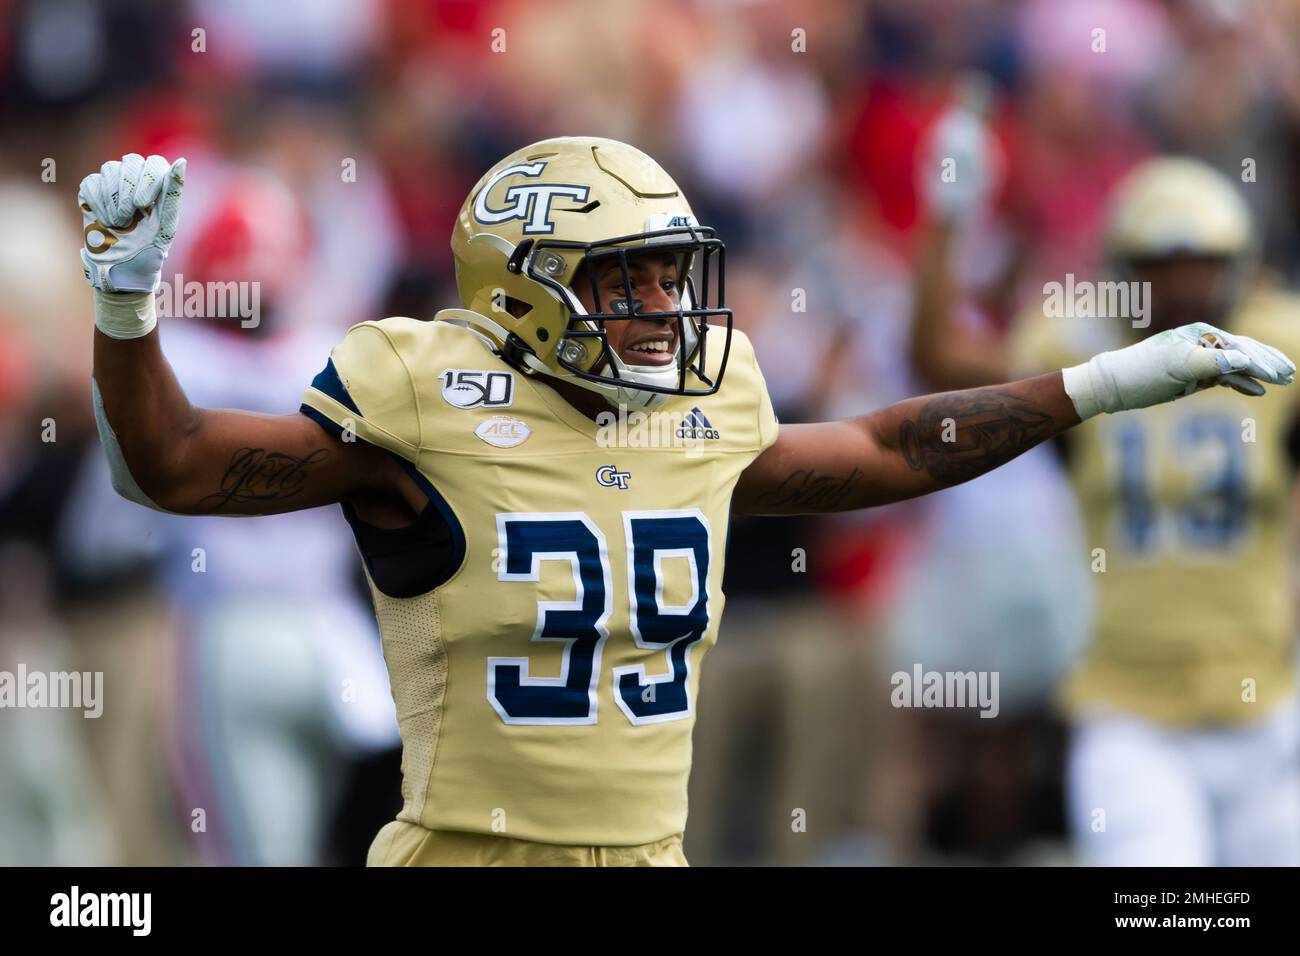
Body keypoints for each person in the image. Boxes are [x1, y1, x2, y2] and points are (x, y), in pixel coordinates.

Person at [82, 137, 1294, 867]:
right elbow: (173, 463)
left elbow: (884, 447)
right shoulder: (422, 393)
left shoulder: (700, 412)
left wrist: (1095, 383)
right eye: (628, 278)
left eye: (673, 272)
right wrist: (129, 315)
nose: (667, 304)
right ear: (524, 292)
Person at [910, 116, 1300, 864]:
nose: (1182, 283)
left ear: (1240, 264)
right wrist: (947, 215)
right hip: (1129, 710)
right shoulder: (1082, 346)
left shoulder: (1279, 340)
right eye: (1161, 263)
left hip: (1263, 704)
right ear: (1122, 266)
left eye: (1201, 262)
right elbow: (938, 358)